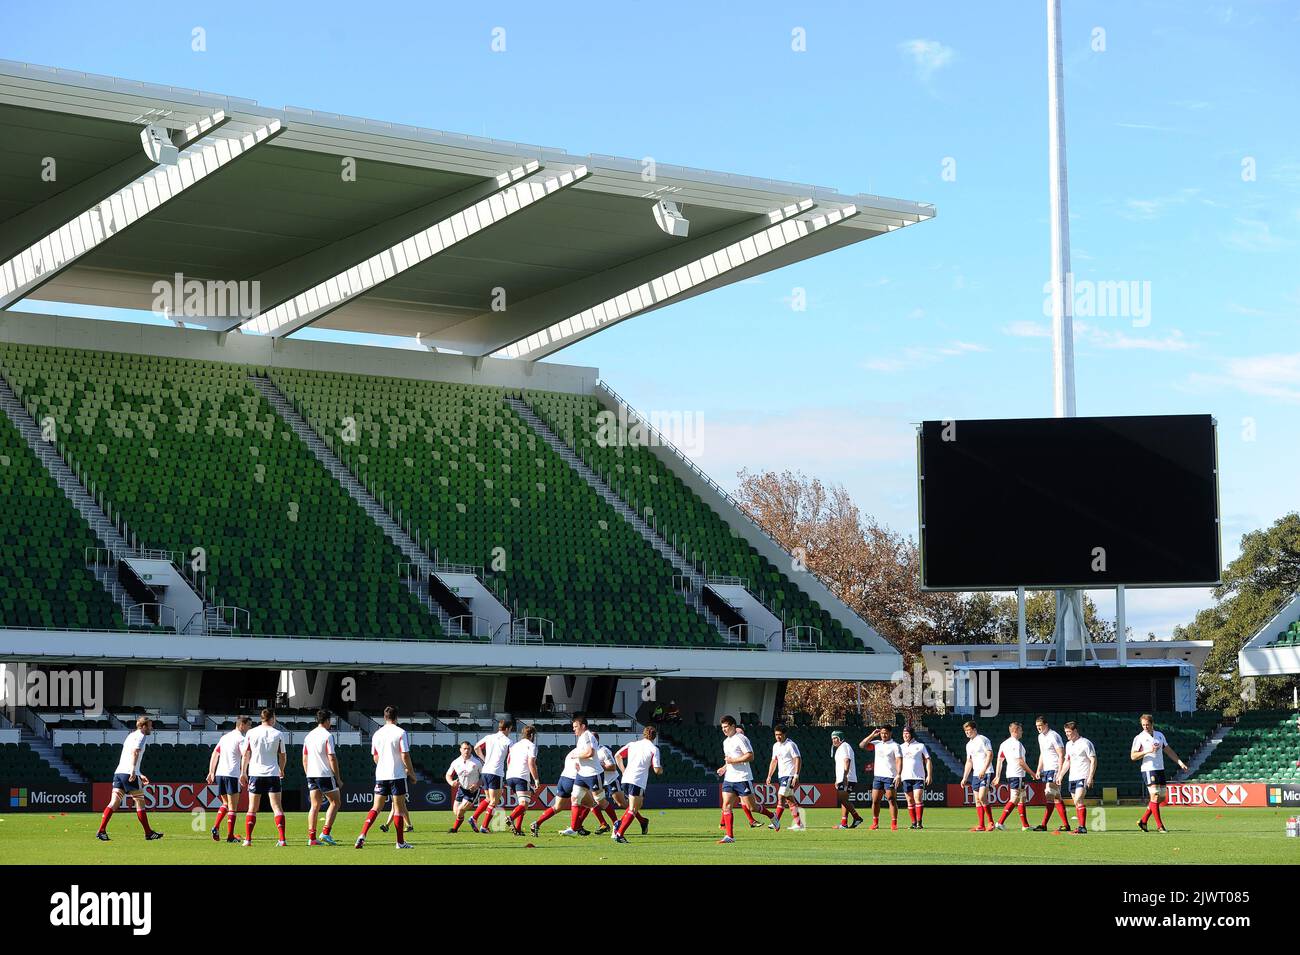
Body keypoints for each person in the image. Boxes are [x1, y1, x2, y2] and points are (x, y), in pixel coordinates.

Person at [355, 706, 416, 849]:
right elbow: (404, 754)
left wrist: (383, 765)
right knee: (399, 809)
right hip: (397, 775)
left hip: (381, 775)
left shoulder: (377, 734)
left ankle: (362, 835)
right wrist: (411, 772)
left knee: (376, 807)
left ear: (384, 717)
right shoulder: (401, 732)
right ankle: (400, 842)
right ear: (396, 718)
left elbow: (375, 757)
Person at [96, 715, 162, 842]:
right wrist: (133, 771)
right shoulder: (142, 736)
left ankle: (101, 830)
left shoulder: (131, 735)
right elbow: (135, 752)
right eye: (149, 726)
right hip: (129, 773)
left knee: (113, 802)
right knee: (140, 802)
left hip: (119, 772)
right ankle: (148, 833)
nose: (151, 728)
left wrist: (139, 772)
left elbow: (127, 754)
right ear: (143, 726)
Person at [1131, 713, 1188, 833]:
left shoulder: (1159, 735)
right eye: (1143, 725)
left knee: (1161, 798)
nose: (1145, 727)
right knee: (1155, 795)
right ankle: (1160, 826)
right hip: (1148, 769)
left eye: (1147, 724)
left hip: (1160, 768)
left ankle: (1143, 820)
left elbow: (1168, 750)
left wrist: (1180, 762)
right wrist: (1147, 751)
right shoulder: (1139, 738)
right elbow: (1133, 756)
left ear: (1152, 724)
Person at [717, 714, 768, 843]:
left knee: (752, 807)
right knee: (726, 805)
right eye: (722, 727)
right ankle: (729, 836)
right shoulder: (725, 742)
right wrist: (724, 767)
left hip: (742, 778)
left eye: (726, 727)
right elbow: (729, 759)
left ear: (733, 726)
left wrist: (733, 761)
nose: (723, 729)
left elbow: (750, 756)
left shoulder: (740, 738)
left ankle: (772, 816)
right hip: (729, 778)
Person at [240, 708, 287, 847]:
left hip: (255, 773)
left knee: (252, 808)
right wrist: (282, 770)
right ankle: (282, 840)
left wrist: (243, 772)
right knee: (277, 808)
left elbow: (246, 754)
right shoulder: (278, 733)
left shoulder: (251, 732)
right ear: (272, 718)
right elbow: (282, 755)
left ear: (261, 718)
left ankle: (248, 840)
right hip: (273, 773)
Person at [611, 726, 663, 843]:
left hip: (626, 779)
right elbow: (656, 770)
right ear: (654, 737)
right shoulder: (654, 749)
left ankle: (621, 825)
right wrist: (661, 770)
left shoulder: (632, 744)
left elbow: (617, 756)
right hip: (637, 781)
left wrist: (624, 771)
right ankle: (619, 834)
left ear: (643, 734)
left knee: (635, 806)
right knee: (634, 808)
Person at [302, 709, 343, 846]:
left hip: (311, 774)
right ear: (327, 721)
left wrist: (308, 773)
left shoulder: (308, 736)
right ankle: (325, 833)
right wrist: (337, 777)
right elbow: (332, 757)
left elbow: (305, 758)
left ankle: (312, 838)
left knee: (314, 806)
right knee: (336, 802)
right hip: (324, 774)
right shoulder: (327, 736)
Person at [206, 715, 248, 843]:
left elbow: (215, 753)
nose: (249, 728)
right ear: (242, 725)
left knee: (225, 803)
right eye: (249, 725)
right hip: (232, 774)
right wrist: (243, 772)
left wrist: (211, 772)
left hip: (220, 773)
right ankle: (230, 836)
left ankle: (216, 826)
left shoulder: (225, 737)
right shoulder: (241, 739)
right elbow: (244, 755)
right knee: (233, 807)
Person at [561, 714, 605, 836]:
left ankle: (615, 823)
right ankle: (574, 829)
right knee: (575, 798)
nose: (573, 729)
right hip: (583, 774)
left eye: (575, 726)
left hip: (593, 773)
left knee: (600, 801)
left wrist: (576, 756)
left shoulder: (587, 736)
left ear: (583, 726)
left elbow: (590, 753)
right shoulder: (581, 738)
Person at [530, 747, 587, 836]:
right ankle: (576, 827)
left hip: (563, 779)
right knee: (591, 804)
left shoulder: (572, 752)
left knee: (557, 807)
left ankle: (537, 823)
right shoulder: (585, 752)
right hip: (573, 780)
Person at [993, 721, 1038, 831]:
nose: (1022, 732)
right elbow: (1020, 762)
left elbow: (1000, 760)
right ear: (1015, 730)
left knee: (1022, 798)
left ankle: (1025, 825)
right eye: (1021, 730)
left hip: (1012, 774)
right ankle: (1000, 822)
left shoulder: (1004, 744)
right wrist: (1032, 773)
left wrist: (998, 775)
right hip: (1017, 774)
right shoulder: (1016, 744)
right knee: (1015, 798)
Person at [472, 717, 514, 833]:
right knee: (494, 801)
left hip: (485, 771)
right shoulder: (508, 741)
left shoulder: (489, 737)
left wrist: (484, 760)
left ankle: (474, 818)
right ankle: (484, 826)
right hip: (496, 772)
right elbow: (511, 758)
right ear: (508, 728)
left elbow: (476, 747)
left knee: (488, 799)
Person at [1032, 716, 1071, 832]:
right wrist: (1039, 769)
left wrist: (1059, 771)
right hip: (1046, 769)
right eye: (1037, 727)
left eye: (1040, 726)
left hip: (1054, 768)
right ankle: (1066, 825)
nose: (1038, 728)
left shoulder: (1054, 735)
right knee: (1057, 797)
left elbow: (1061, 753)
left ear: (1046, 725)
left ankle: (1043, 825)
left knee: (1049, 794)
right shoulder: (1040, 737)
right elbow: (1042, 754)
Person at [860, 725, 902, 830]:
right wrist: (872, 735)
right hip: (878, 777)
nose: (883, 735)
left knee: (891, 800)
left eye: (886, 733)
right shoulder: (877, 743)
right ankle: (875, 823)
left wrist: (898, 774)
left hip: (890, 777)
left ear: (890, 733)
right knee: (875, 801)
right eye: (882, 733)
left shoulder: (895, 745)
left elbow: (899, 761)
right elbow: (862, 745)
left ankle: (894, 824)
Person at [764, 724, 804, 832]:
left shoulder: (791, 745)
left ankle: (775, 821)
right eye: (776, 735)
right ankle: (799, 824)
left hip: (789, 775)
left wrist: (796, 775)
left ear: (784, 734)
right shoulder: (775, 746)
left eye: (780, 735)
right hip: (781, 776)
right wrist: (769, 776)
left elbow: (797, 759)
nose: (778, 737)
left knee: (780, 795)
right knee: (790, 800)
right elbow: (774, 761)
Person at [1060, 720, 1097, 835]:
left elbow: (1093, 760)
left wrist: (1090, 776)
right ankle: (1081, 826)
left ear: (1075, 731)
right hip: (1072, 777)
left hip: (1082, 776)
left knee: (1078, 799)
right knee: (1076, 802)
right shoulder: (1069, 744)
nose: (1067, 734)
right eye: (1065, 732)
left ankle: (1082, 827)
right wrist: (1060, 775)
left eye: (1069, 732)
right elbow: (1067, 761)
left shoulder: (1086, 743)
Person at [504, 724, 540, 835]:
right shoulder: (531, 746)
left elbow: (508, 761)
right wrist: (536, 779)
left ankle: (518, 829)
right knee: (524, 803)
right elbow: (531, 763)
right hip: (521, 776)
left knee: (522, 803)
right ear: (532, 735)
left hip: (510, 776)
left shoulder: (514, 746)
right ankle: (511, 818)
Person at [960, 720, 994, 832]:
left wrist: (984, 769)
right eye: (966, 731)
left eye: (969, 730)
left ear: (974, 730)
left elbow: (990, 754)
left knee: (982, 797)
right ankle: (981, 825)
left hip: (986, 771)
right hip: (975, 774)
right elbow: (969, 761)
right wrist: (965, 777)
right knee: (977, 800)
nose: (967, 733)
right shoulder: (968, 745)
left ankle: (991, 823)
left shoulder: (983, 739)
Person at [445, 741, 483, 833]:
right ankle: (472, 821)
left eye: (468, 749)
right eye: (464, 749)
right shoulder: (456, 762)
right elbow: (448, 775)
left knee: (461, 810)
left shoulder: (477, 762)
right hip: (461, 789)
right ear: (460, 750)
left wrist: (477, 785)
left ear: (471, 750)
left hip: (472, 791)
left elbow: (484, 776)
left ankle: (454, 829)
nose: (466, 751)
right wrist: (451, 782)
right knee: (456, 812)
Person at [898, 725, 931, 829]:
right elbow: (897, 761)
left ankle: (919, 823)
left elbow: (928, 760)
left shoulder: (920, 746)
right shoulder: (900, 747)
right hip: (905, 777)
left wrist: (929, 775)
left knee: (917, 798)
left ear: (911, 734)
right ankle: (913, 823)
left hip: (918, 777)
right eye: (904, 733)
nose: (905, 735)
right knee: (909, 800)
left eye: (907, 733)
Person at [831, 730, 863, 829]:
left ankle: (857, 817)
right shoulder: (841, 748)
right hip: (843, 778)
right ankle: (844, 823)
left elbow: (847, 761)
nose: (834, 740)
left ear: (841, 738)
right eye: (832, 738)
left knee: (842, 799)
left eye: (836, 738)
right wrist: (838, 779)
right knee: (844, 800)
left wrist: (844, 776)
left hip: (848, 778)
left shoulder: (844, 746)